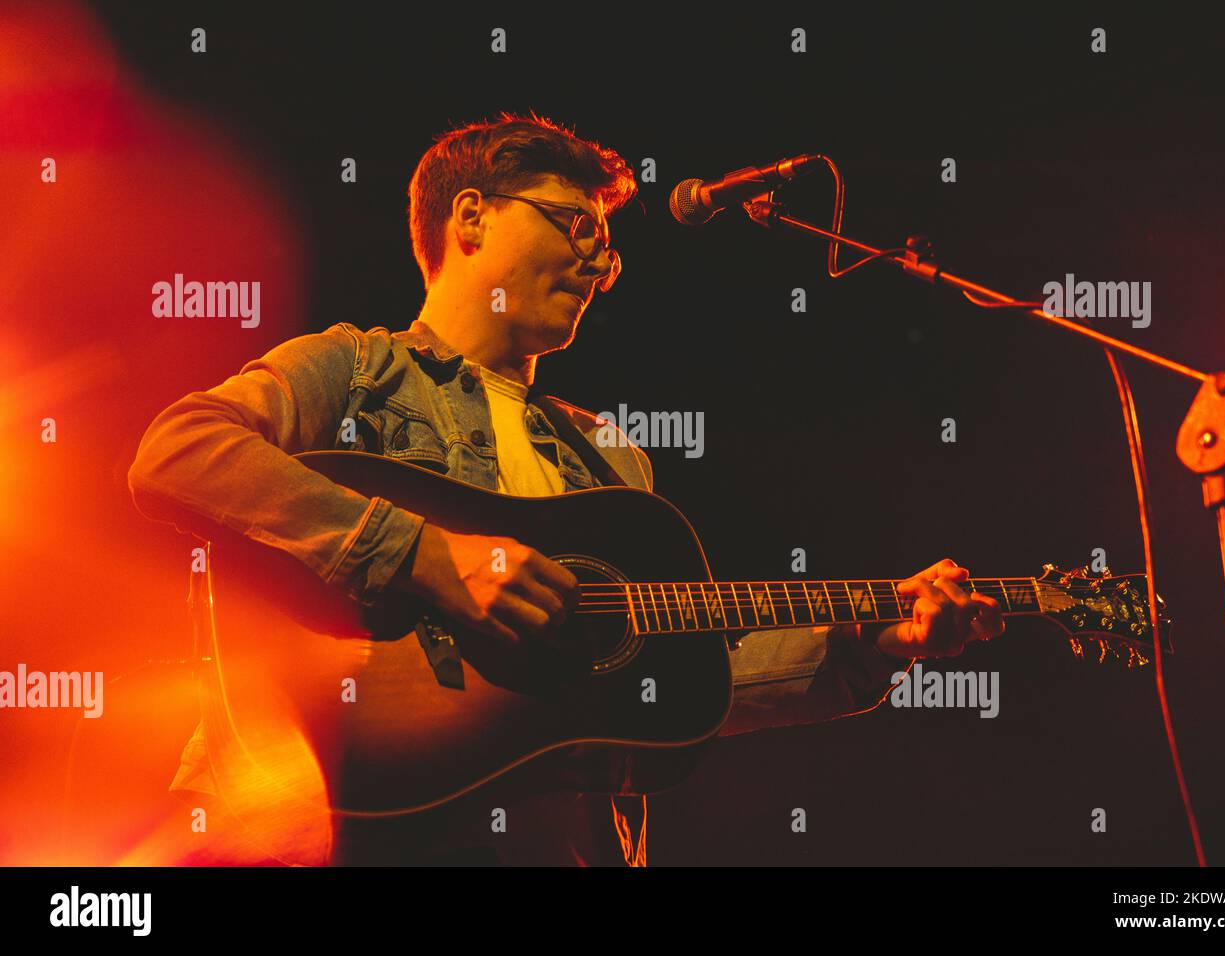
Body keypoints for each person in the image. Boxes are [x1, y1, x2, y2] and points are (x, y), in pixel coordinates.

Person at [128, 111, 1004, 866]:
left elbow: (678, 686)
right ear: (470, 218)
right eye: (575, 226)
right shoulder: (357, 368)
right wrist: (428, 555)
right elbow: (178, 450)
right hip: (336, 829)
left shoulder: (612, 461)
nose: (600, 262)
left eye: (610, 250)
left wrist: (872, 644)